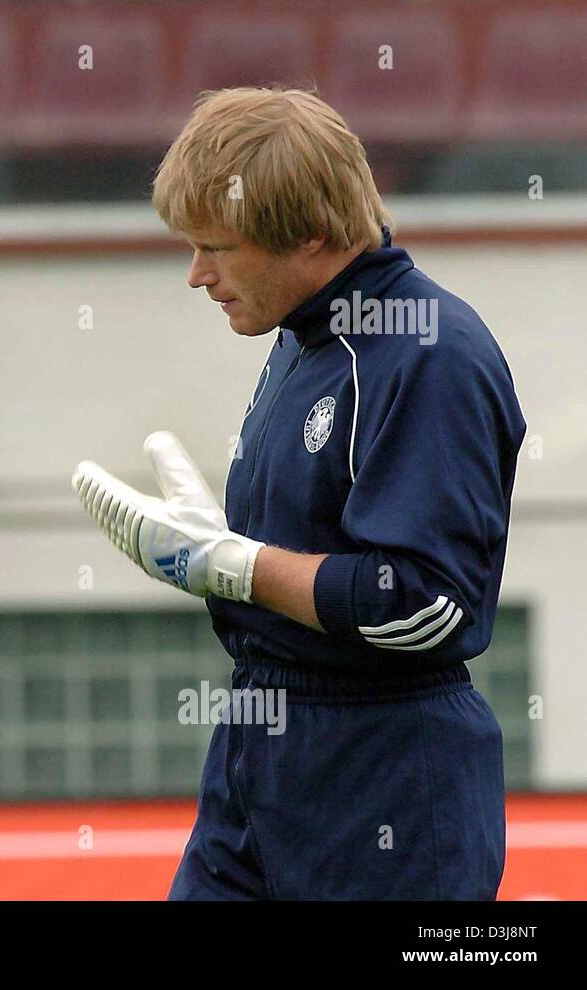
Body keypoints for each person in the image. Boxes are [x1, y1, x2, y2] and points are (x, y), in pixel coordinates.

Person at [72, 87, 526, 899]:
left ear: (311, 233)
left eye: (217, 247)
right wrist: (221, 547)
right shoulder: (305, 338)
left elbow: (427, 605)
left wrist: (234, 566)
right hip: (258, 758)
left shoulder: (431, 356)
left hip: (386, 778)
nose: (197, 275)